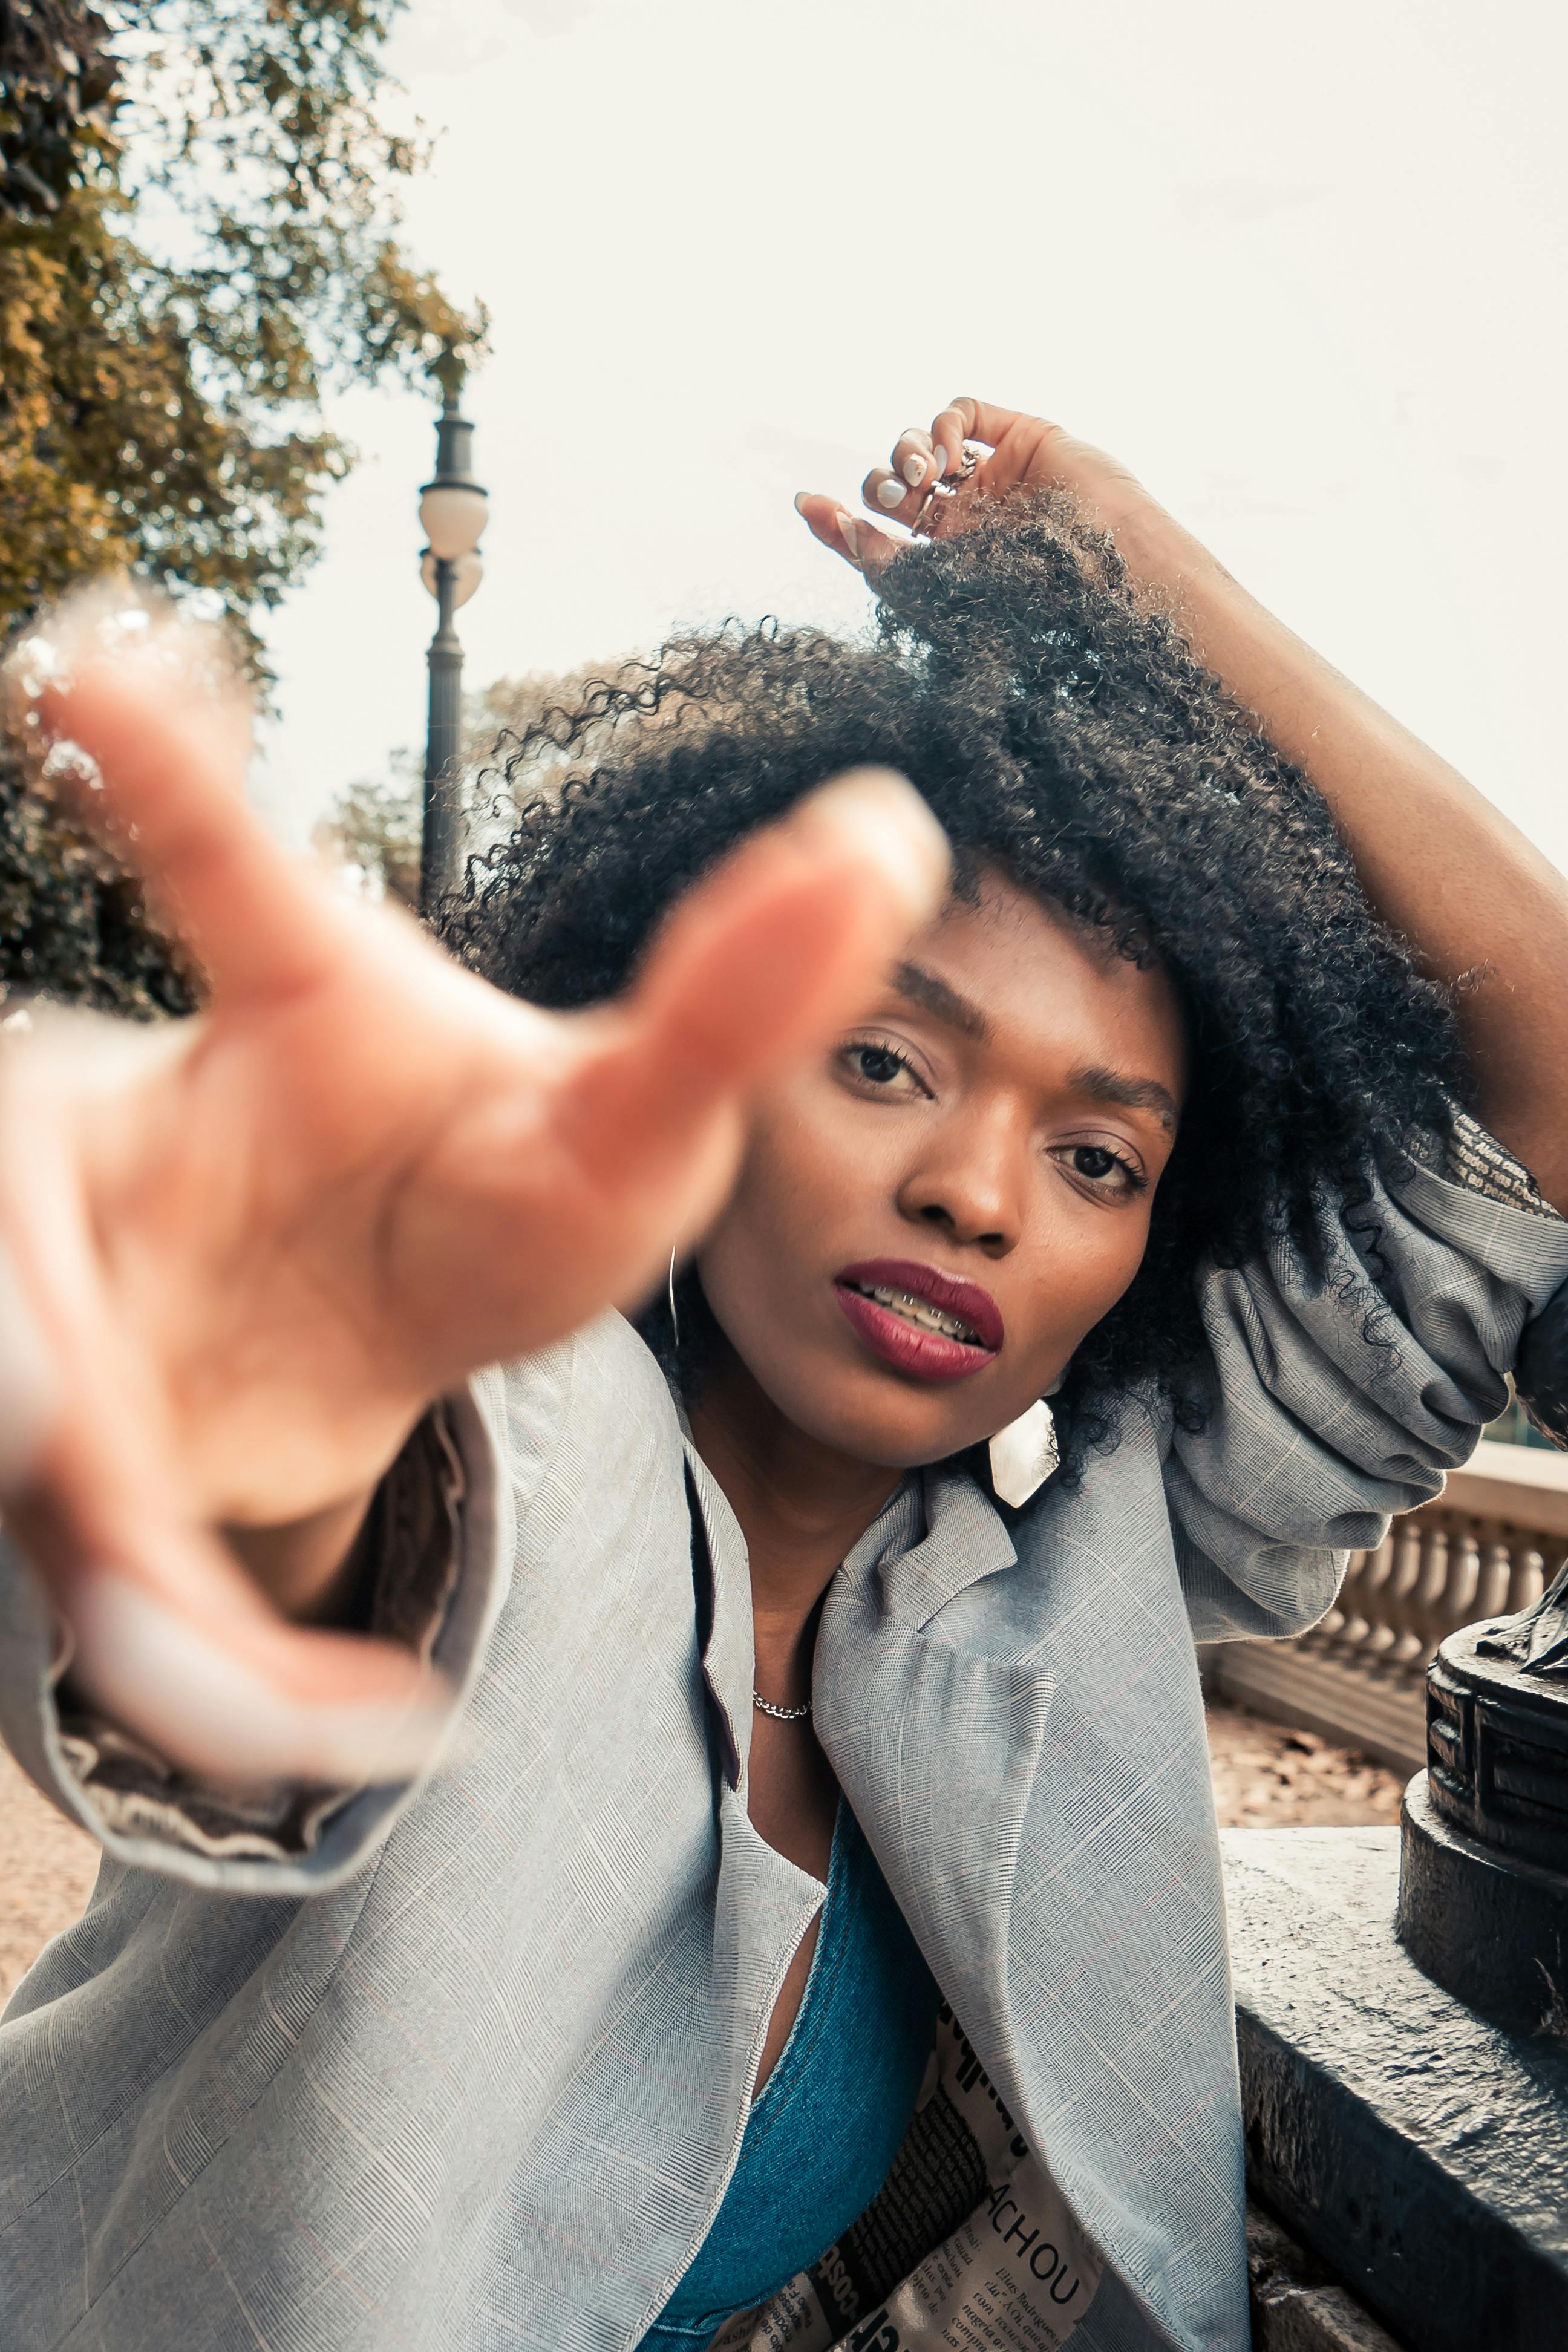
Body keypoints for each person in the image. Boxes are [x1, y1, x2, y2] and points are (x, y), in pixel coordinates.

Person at [2, 396, 1567, 2352]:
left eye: (1100, 1157)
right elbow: (258, 1499)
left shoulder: (1077, 1591)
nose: (974, 1190)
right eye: (885, 1058)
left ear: (1154, 1253)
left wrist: (1140, 568)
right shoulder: (524, 1434)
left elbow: (1550, 1086)